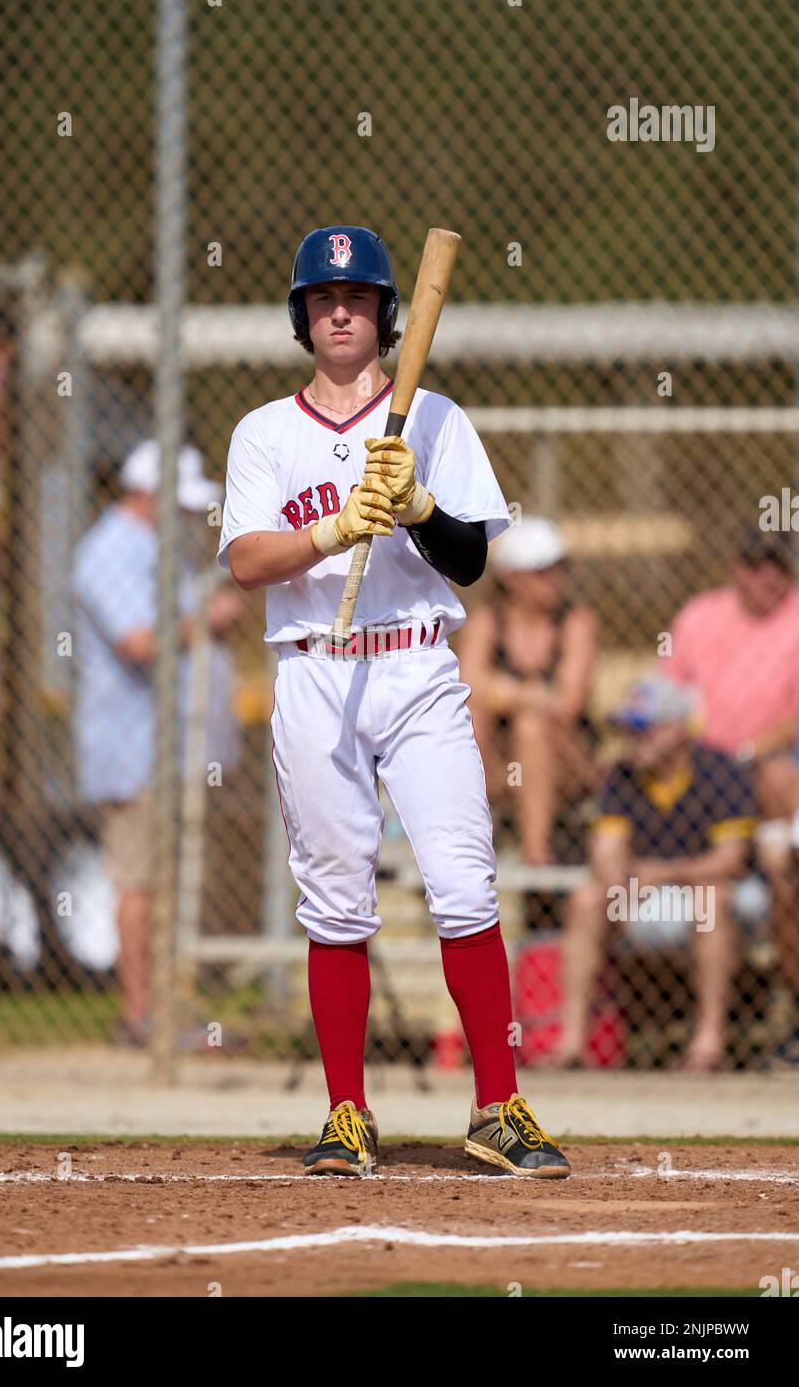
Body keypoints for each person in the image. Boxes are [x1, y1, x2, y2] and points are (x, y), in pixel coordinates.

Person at [219, 224, 570, 1178]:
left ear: (385, 314)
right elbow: (250, 562)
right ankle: (346, 1111)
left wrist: (416, 509)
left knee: (464, 883)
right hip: (316, 669)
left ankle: (498, 1105)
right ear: (303, 316)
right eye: (325, 300)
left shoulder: (436, 419)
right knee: (335, 903)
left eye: (360, 299)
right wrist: (338, 526)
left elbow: (472, 559)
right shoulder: (264, 432)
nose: (342, 312)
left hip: (417, 670)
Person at [73, 440, 244, 1045]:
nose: (189, 517)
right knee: (139, 880)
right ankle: (141, 1016)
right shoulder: (111, 551)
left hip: (166, 746)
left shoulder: (152, 547)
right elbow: (140, 642)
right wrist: (210, 621)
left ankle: (171, 1013)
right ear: (148, 494)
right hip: (133, 747)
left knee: (169, 881)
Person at [557, 677, 755, 1073]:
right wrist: (622, 879)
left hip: (723, 895)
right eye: (630, 731)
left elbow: (730, 861)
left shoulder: (719, 770)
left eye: (644, 730)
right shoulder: (623, 776)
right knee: (586, 899)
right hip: (643, 892)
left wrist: (662, 872)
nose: (634, 741)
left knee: (711, 897)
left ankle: (709, 1042)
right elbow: (607, 854)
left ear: (679, 731)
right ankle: (571, 1042)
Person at [662, 527, 799, 1064]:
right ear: (736, 568)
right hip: (702, 770)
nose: (766, 578)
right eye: (754, 566)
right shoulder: (702, 615)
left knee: (775, 777)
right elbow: (666, 688)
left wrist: (748, 751)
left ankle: (773, 854)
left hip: (770, 770)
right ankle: (756, 855)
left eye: (777, 568)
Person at [458, 516, 599, 864]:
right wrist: (528, 695)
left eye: (560, 568)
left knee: (530, 727)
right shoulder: (488, 620)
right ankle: (465, 841)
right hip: (500, 766)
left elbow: (568, 704)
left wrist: (505, 693)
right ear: (512, 578)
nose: (555, 580)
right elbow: (466, 686)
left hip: (566, 761)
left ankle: (536, 854)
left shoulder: (575, 622)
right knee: (471, 715)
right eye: (542, 571)